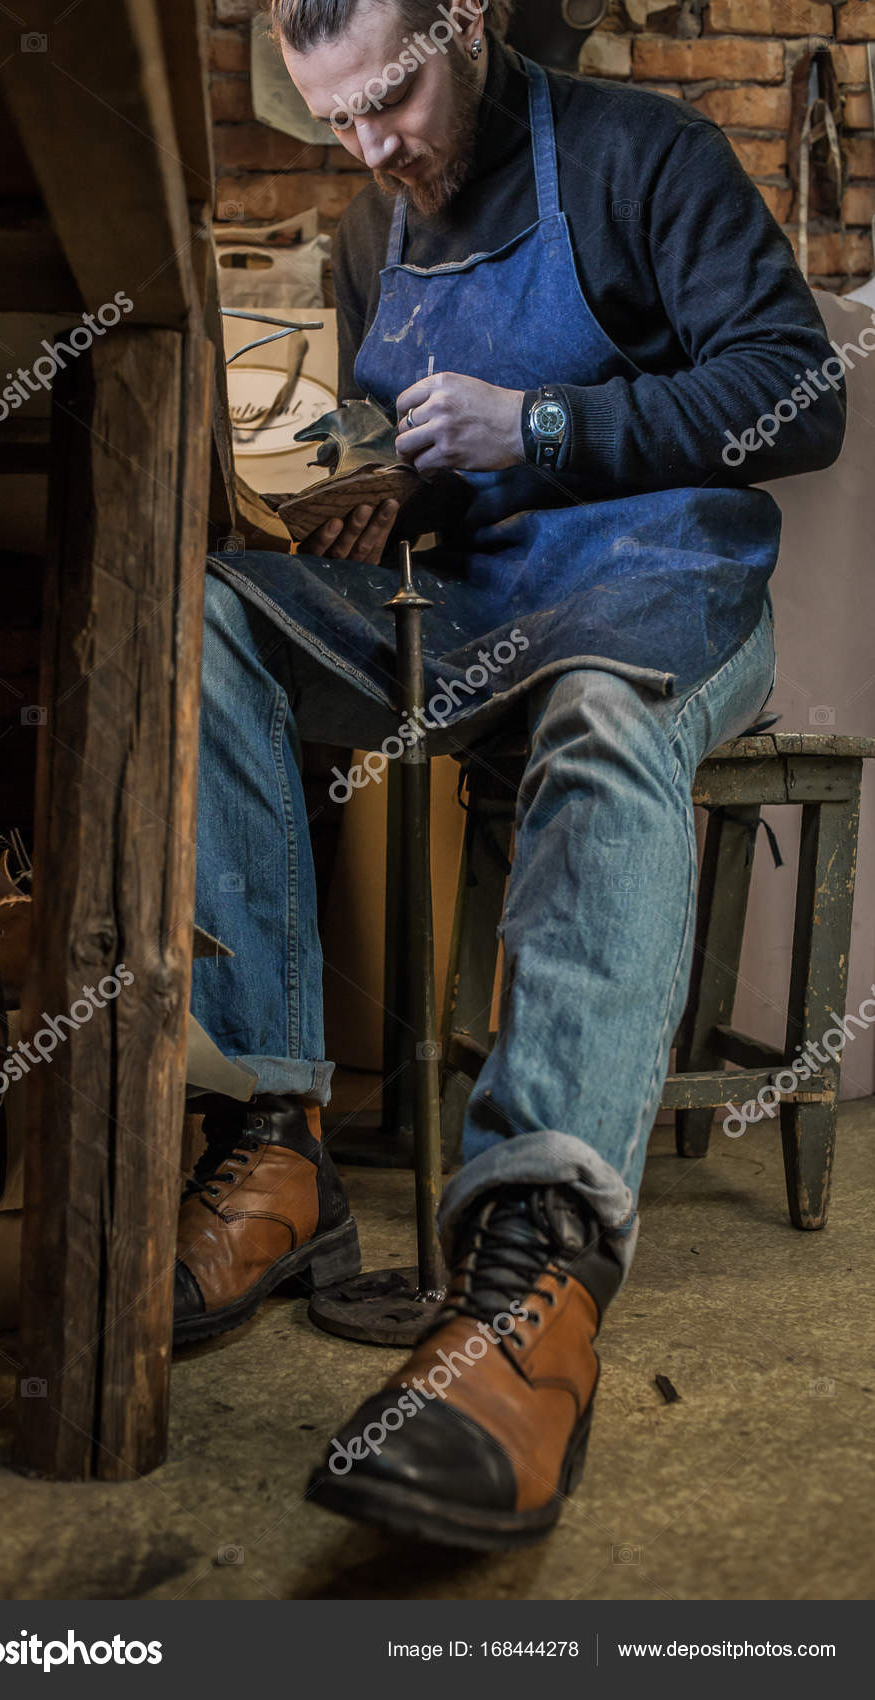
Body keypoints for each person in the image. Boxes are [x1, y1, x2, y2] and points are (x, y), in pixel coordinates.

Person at [176, 0, 846, 1549]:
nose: (365, 148)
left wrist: (537, 423)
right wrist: (395, 490)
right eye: (330, 117)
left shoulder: (643, 156)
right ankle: (272, 1144)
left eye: (387, 101)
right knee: (208, 608)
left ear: (463, 22)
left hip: (660, 592)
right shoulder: (368, 230)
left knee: (603, 717)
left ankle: (532, 1285)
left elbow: (795, 396)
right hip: (471, 614)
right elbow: (431, 463)